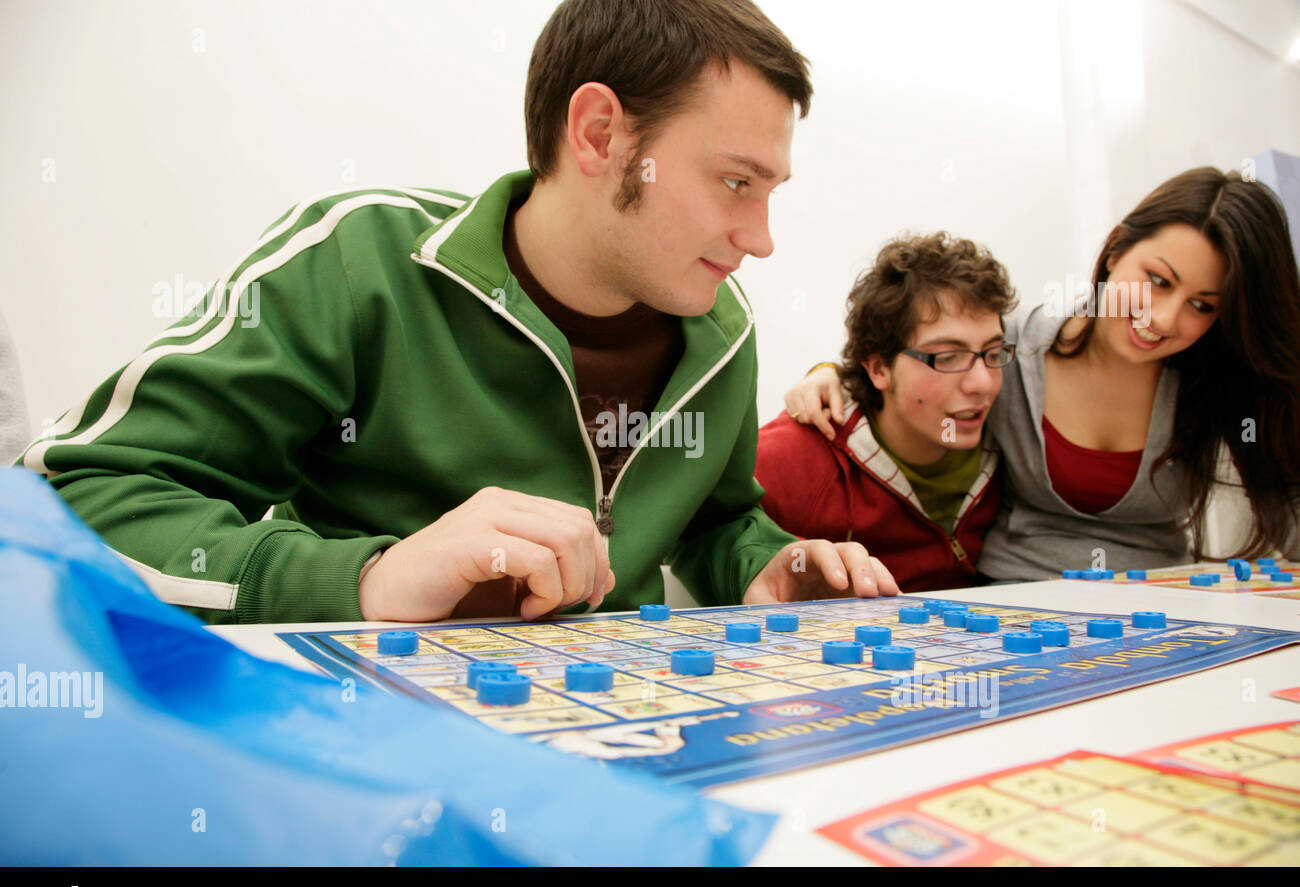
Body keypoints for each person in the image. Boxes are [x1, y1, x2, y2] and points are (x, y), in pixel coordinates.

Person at [18, 0, 900, 626]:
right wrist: (363, 580)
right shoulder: (357, 259)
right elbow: (72, 493)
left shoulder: (723, 329)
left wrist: (766, 567)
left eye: (770, 192)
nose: (762, 239)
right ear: (599, 135)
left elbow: (714, 524)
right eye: (735, 182)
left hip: (626, 753)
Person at [783, 168, 1300, 579]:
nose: (1164, 319)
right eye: (1158, 281)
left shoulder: (1216, 381)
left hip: (1164, 607)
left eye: (1203, 306)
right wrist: (827, 371)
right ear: (1116, 251)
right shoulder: (1005, 346)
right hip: (1018, 606)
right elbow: (900, 357)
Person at [757, 233, 1017, 591]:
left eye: (993, 352)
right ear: (879, 368)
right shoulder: (794, 455)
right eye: (947, 357)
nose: (982, 383)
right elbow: (701, 534)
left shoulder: (1013, 434)